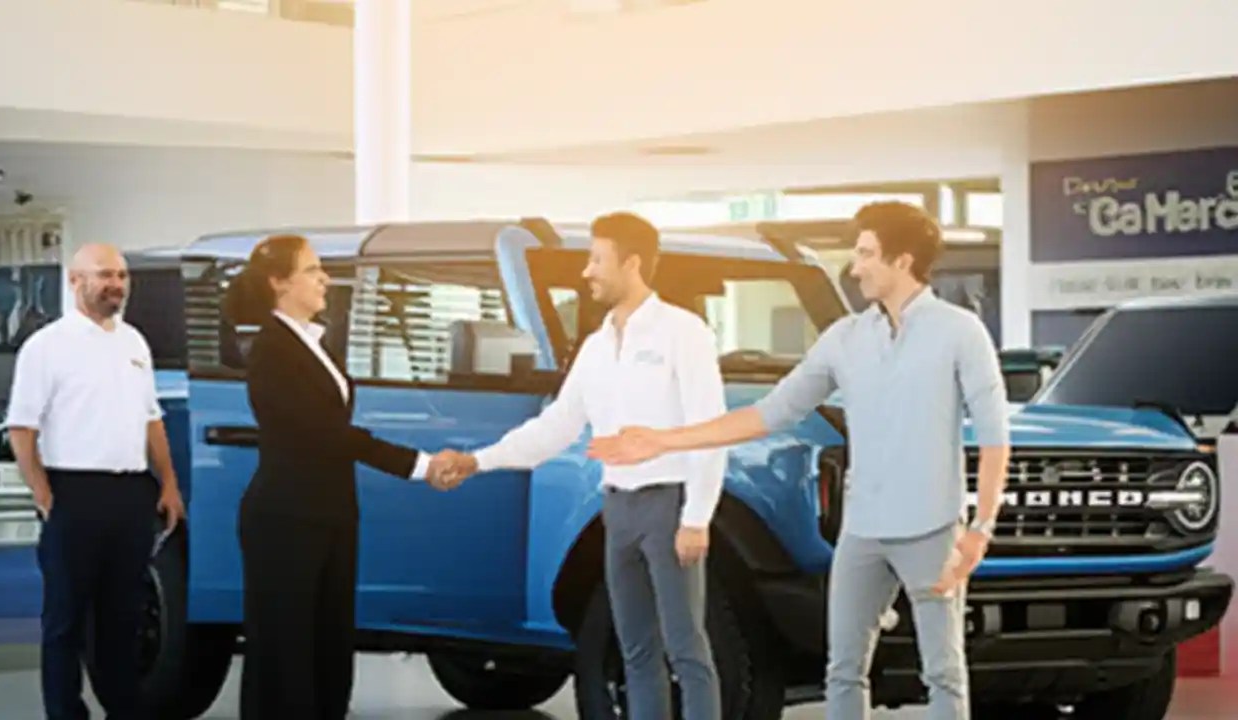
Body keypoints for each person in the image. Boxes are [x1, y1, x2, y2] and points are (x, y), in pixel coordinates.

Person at [588, 201, 1011, 720]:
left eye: (865, 254)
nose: (854, 267)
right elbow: (770, 413)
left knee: (943, 673)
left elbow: (994, 437)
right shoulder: (846, 339)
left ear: (903, 261)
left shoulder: (960, 331)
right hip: (863, 530)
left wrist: (979, 531)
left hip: (932, 527)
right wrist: (665, 440)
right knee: (843, 669)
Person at [432, 212, 727, 720]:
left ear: (631, 263)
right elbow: (556, 427)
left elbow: (709, 428)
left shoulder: (684, 332)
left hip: (669, 505)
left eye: (596, 259)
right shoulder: (595, 347)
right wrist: (477, 461)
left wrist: (697, 517)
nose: (587, 272)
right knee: (635, 649)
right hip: (618, 507)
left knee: (686, 647)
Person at [228, 234, 449, 719]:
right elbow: (324, 434)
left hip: (329, 513)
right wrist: (418, 465)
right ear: (279, 283)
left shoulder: (313, 343)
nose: (324, 278)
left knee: (327, 650)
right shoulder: (271, 350)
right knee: (285, 656)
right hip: (287, 518)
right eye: (311, 270)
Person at [6, 243, 187, 720]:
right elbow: (21, 428)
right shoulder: (46, 346)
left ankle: (123, 708)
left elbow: (153, 419)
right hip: (73, 492)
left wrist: (168, 482)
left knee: (122, 616)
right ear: (75, 280)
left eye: (122, 276)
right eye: (105, 274)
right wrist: (43, 494)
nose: (117, 285)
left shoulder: (134, 343)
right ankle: (66, 712)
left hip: (130, 492)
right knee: (65, 619)